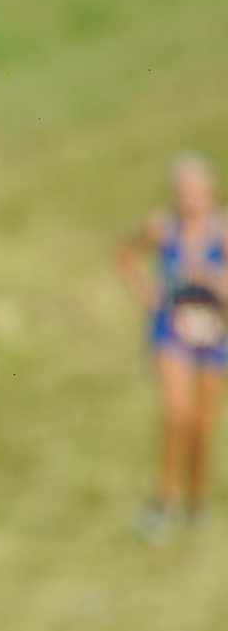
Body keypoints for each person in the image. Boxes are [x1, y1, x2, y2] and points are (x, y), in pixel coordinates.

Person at [118, 152, 228, 539]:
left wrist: (214, 280)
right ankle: (165, 501)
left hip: (213, 333)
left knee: (202, 425)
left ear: (211, 191)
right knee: (177, 412)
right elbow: (124, 253)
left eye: (197, 191)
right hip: (170, 330)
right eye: (183, 191)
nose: (190, 199)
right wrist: (144, 290)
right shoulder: (164, 228)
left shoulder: (223, 231)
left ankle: (196, 502)